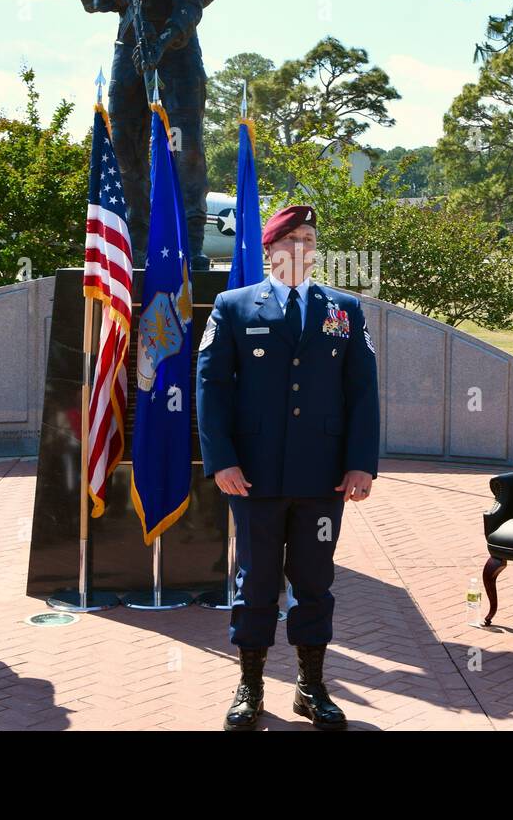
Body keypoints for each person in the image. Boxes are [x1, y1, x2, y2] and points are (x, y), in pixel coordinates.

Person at [197, 205, 380, 730]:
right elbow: (211, 390)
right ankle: (250, 688)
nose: (303, 247)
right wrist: (222, 461)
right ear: (271, 248)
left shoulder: (343, 309)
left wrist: (360, 465)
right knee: (254, 583)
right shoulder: (233, 308)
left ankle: (310, 687)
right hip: (252, 476)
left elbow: (362, 393)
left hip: (323, 478)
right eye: (292, 239)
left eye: (310, 239)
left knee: (314, 582)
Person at [80, 0, 219, 269]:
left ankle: (191, 243)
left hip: (176, 47)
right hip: (129, 45)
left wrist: (164, 40)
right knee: (125, 141)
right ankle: (138, 244)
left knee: (185, 145)